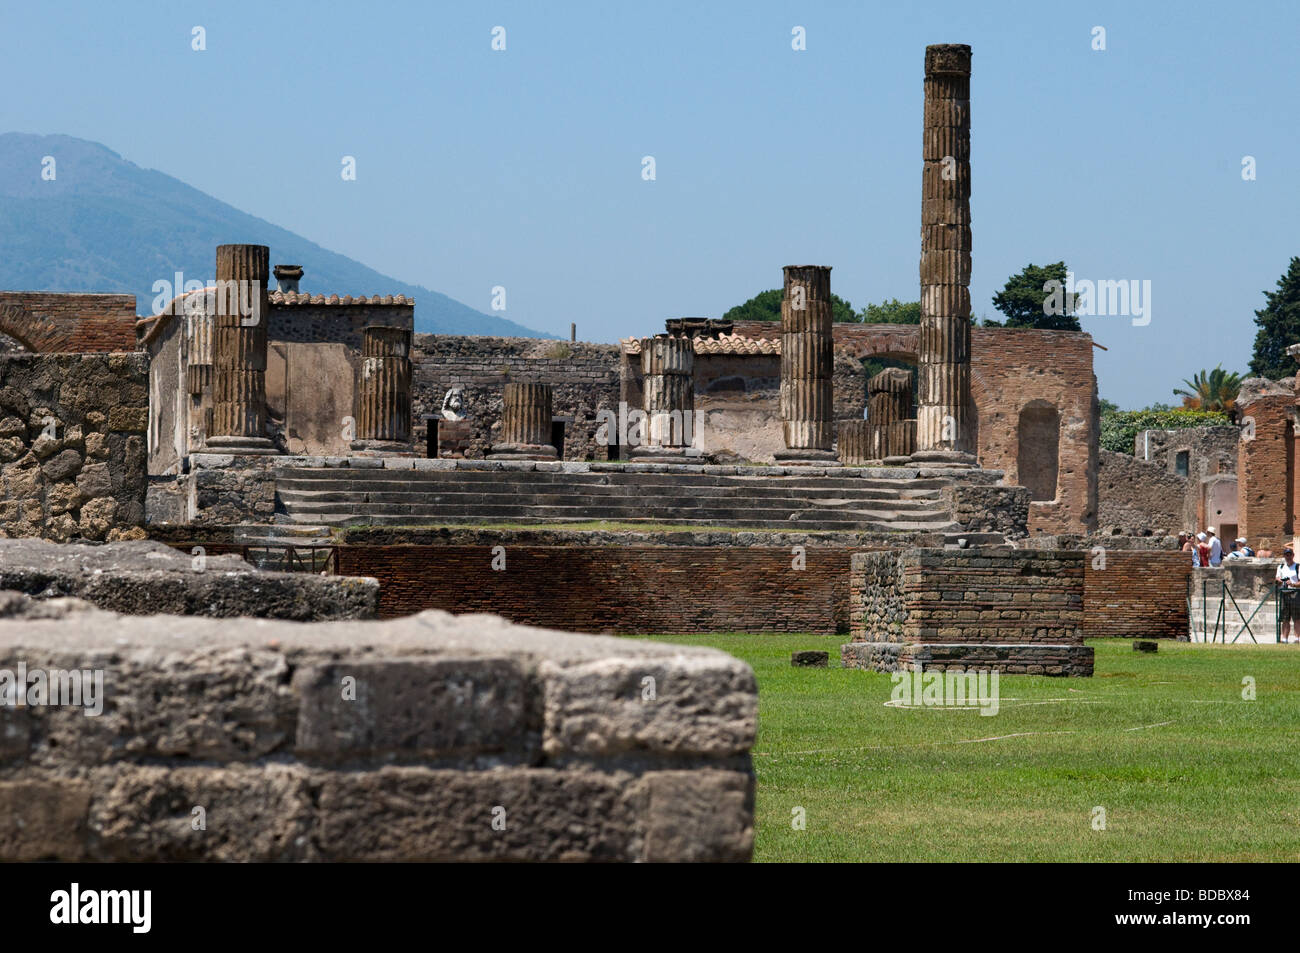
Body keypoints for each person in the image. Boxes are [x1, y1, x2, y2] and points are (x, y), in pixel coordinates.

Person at [1277, 547, 1300, 643]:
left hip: (1295, 593)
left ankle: (1297, 638)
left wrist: (1293, 584)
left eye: (1289, 554)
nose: (1288, 557)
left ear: (1293, 555)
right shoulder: (1281, 567)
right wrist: (1279, 581)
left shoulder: (1297, 567)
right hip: (1284, 593)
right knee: (1285, 618)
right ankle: (1284, 638)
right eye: (1286, 555)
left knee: (1297, 618)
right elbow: (1277, 579)